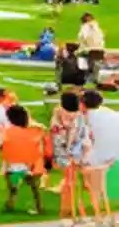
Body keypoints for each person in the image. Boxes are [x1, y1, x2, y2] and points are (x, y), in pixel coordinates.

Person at [0, 104, 46, 216]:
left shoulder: (8, 132)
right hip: (31, 165)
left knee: (13, 185)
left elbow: (5, 150)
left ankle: (10, 202)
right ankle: (38, 206)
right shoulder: (35, 131)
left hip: (14, 165)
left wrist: (4, 167)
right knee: (35, 188)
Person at [49, 90, 88, 222]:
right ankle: (71, 212)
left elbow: (57, 139)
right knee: (70, 183)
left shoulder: (57, 117)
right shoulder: (78, 116)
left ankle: (70, 212)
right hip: (71, 154)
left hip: (69, 154)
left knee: (70, 183)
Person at [81, 90, 119, 222]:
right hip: (115, 155)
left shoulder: (86, 118)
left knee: (89, 172)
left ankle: (98, 215)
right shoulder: (111, 114)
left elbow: (86, 142)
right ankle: (110, 214)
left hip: (101, 157)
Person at [79, 13, 106, 86]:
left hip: (92, 50)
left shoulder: (88, 26)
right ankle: (92, 78)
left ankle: (91, 78)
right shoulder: (92, 27)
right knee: (94, 64)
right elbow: (101, 39)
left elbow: (85, 38)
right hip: (94, 50)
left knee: (93, 64)